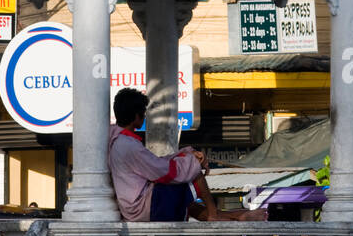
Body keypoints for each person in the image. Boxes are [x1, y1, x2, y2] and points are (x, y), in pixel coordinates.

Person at [109, 89, 266, 224]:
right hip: (140, 207)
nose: (144, 116)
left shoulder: (118, 141)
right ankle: (214, 214)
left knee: (186, 203)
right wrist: (193, 162)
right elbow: (161, 171)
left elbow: (156, 164)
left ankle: (235, 216)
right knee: (193, 173)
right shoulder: (128, 145)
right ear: (137, 115)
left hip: (136, 207)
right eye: (143, 112)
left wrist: (186, 154)